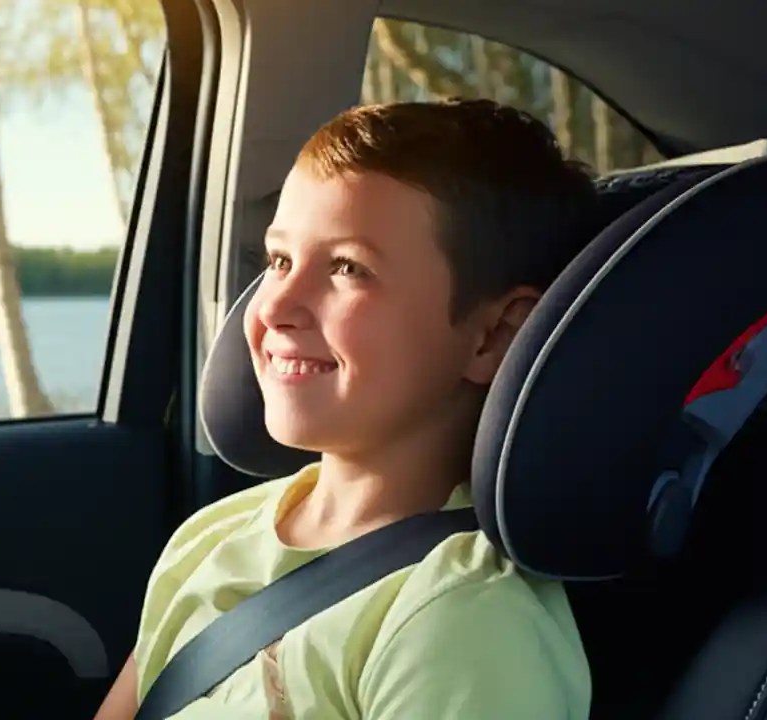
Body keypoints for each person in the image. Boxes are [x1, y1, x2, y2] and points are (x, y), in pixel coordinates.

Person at [95, 98, 599, 719]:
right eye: (278, 260)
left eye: (346, 268)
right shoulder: (211, 538)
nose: (277, 305)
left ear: (492, 336)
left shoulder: (460, 621)